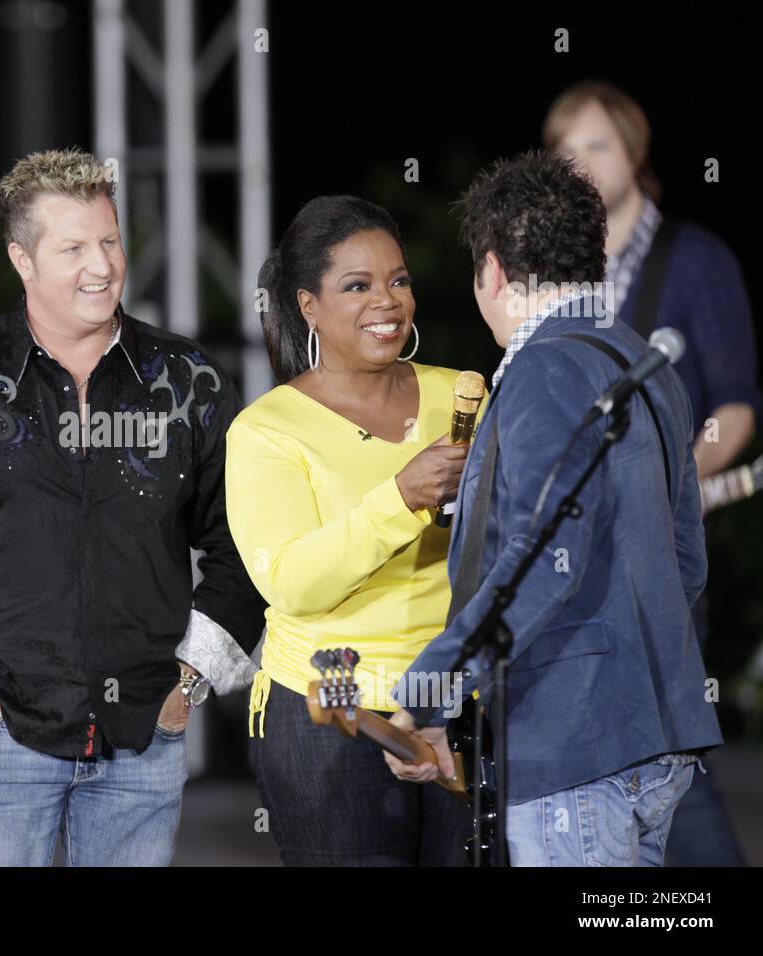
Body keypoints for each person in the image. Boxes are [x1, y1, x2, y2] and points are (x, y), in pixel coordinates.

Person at [0, 147, 266, 867]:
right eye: (73, 247)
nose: (101, 265)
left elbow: (247, 539)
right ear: (22, 259)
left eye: (109, 240)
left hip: (144, 739)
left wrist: (188, 682)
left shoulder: (188, 378)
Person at [388, 150, 721, 867]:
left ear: (495, 271)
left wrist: (432, 684)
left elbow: (541, 561)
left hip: (574, 742)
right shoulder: (641, 364)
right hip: (656, 736)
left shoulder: (543, 368)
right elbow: (686, 558)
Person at [543, 80, 758, 866]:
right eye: (567, 152)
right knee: (607, 737)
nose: (585, 165)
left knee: (666, 738)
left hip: (663, 546)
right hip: (576, 543)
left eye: (598, 145)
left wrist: (668, 480)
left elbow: (734, 408)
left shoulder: (696, 259)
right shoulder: (561, 266)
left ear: (634, 150)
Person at [225, 195, 473, 865]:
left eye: (398, 280)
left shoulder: (463, 395)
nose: (386, 301)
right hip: (329, 715)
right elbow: (293, 584)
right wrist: (400, 496)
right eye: (357, 286)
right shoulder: (266, 430)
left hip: (460, 704)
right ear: (308, 305)